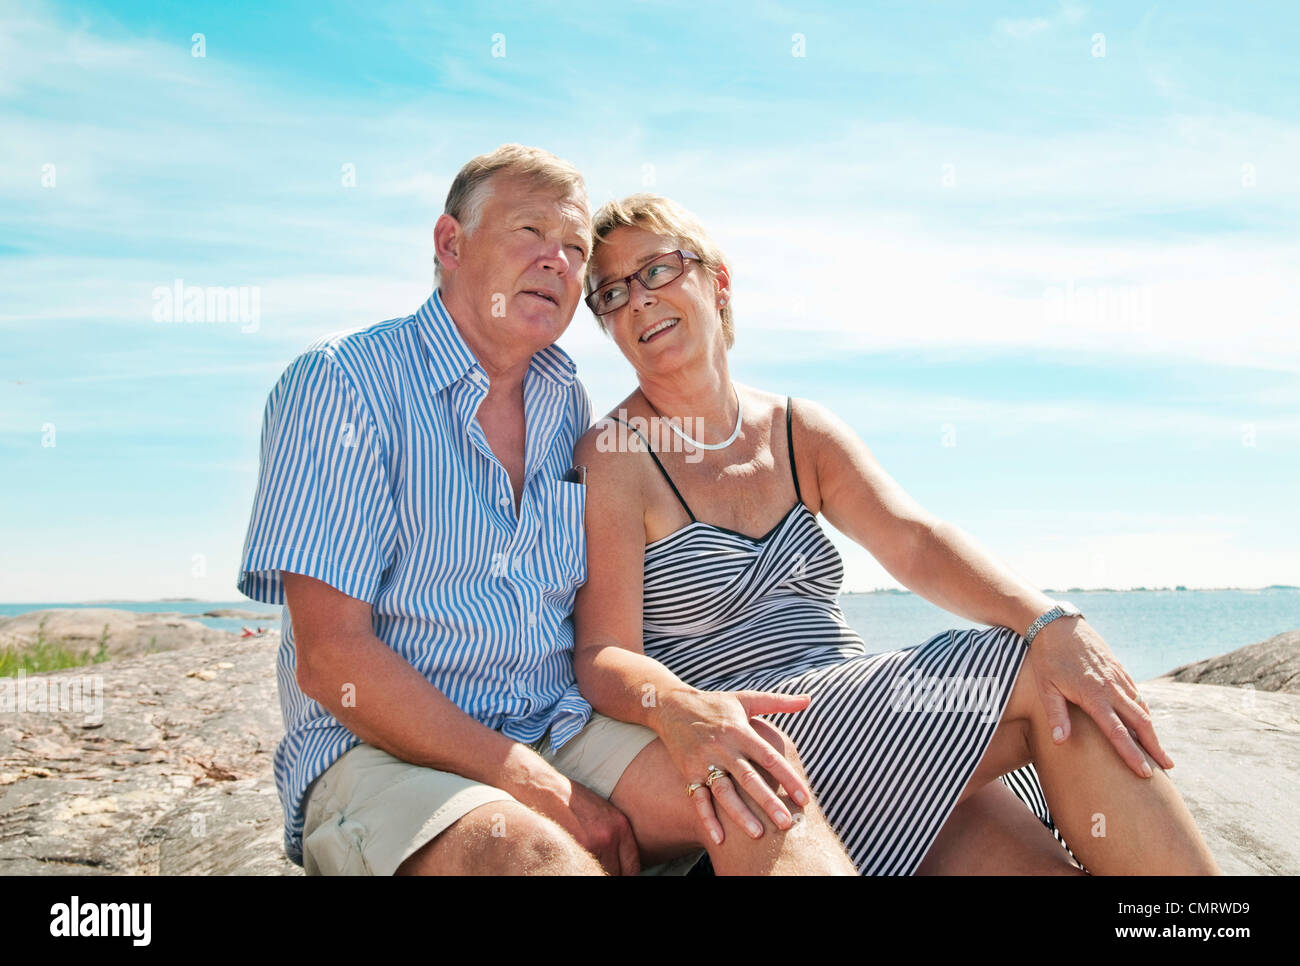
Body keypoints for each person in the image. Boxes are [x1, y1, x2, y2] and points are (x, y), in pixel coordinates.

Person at [235, 146, 855, 875]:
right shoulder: (341, 384)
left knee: (756, 789)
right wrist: (527, 781)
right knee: (533, 854)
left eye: (573, 248)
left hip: (559, 727)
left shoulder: (566, 403)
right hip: (380, 753)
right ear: (449, 244)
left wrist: (666, 713)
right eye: (529, 232)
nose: (557, 262)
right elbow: (332, 657)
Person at [572, 192, 1223, 875]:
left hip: (866, 715)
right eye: (610, 294)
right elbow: (602, 651)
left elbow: (913, 539)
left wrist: (1051, 619)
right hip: (755, 729)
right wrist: (684, 710)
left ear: (718, 280)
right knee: (1047, 676)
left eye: (656, 271)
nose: (636, 301)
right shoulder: (613, 455)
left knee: (1058, 685)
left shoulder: (802, 431)